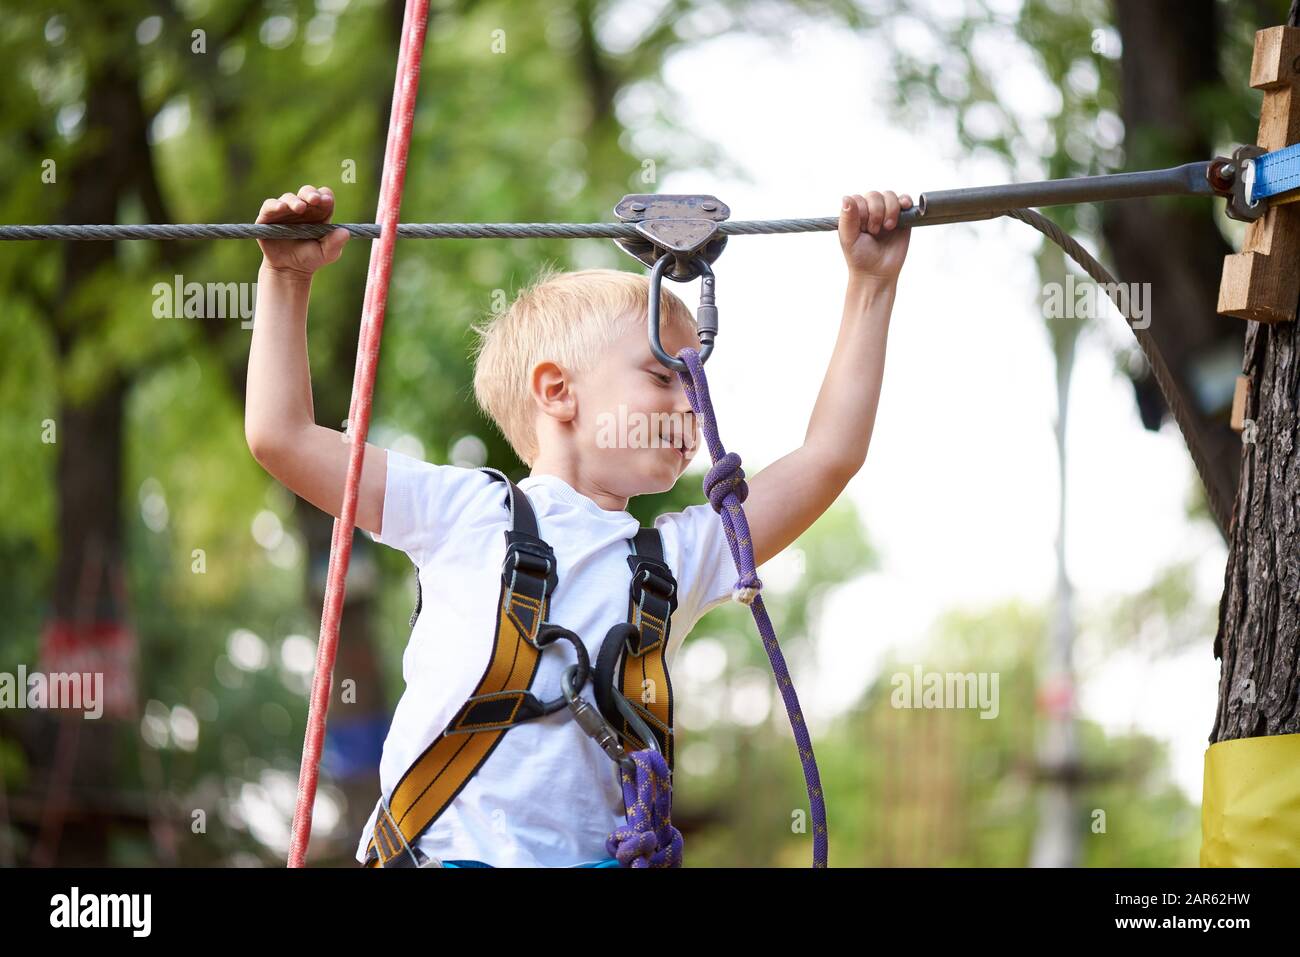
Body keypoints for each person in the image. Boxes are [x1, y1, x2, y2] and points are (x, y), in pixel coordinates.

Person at [243, 184, 912, 867]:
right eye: (663, 377)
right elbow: (284, 435)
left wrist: (870, 286)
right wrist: (285, 279)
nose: (693, 404)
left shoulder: (676, 560)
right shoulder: (463, 512)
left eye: (697, 382)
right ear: (557, 392)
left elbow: (829, 457)